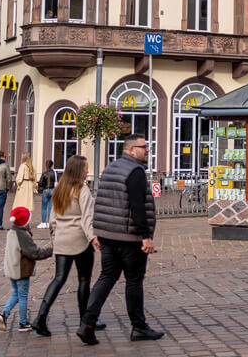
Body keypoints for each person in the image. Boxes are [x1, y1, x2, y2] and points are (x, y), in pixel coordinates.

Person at [76, 135, 163, 345]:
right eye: (144, 147)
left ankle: (86, 324)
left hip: (108, 234)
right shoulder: (135, 172)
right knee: (134, 280)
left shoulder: (110, 168)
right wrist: (145, 236)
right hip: (128, 236)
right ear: (132, 150)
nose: (147, 151)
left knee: (106, 277)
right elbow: (137, 206)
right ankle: (139, 327)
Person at [32, 155, 104, 337]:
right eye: (86, 168)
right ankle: (85, 322)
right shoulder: (82, 190)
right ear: (79, 170)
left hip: (62, 240)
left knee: (58, 279)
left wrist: (54, 237)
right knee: (84, 281)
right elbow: (87, 218)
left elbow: (52, 218)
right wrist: (93, 237)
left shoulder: (60, 189)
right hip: (79, 240)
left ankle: (40, 317)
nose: (87, 170)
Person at [0, 206, 53, 333]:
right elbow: (34, 252)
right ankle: (23, 322)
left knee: (16, 293)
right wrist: (50, 251)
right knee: (23, 296)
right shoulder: (22, 235)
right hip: (21, 270)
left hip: (12, 269)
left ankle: (4, 314)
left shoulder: (12, 232)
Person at [38, 159, 56, 228]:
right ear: (52, 165)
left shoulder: (44, 173)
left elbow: (40, 183)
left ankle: (43, 223)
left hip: (46, 190)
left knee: (44, 207)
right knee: (51, 208)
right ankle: (49, 223)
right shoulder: (54, 173)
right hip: (53, 190)